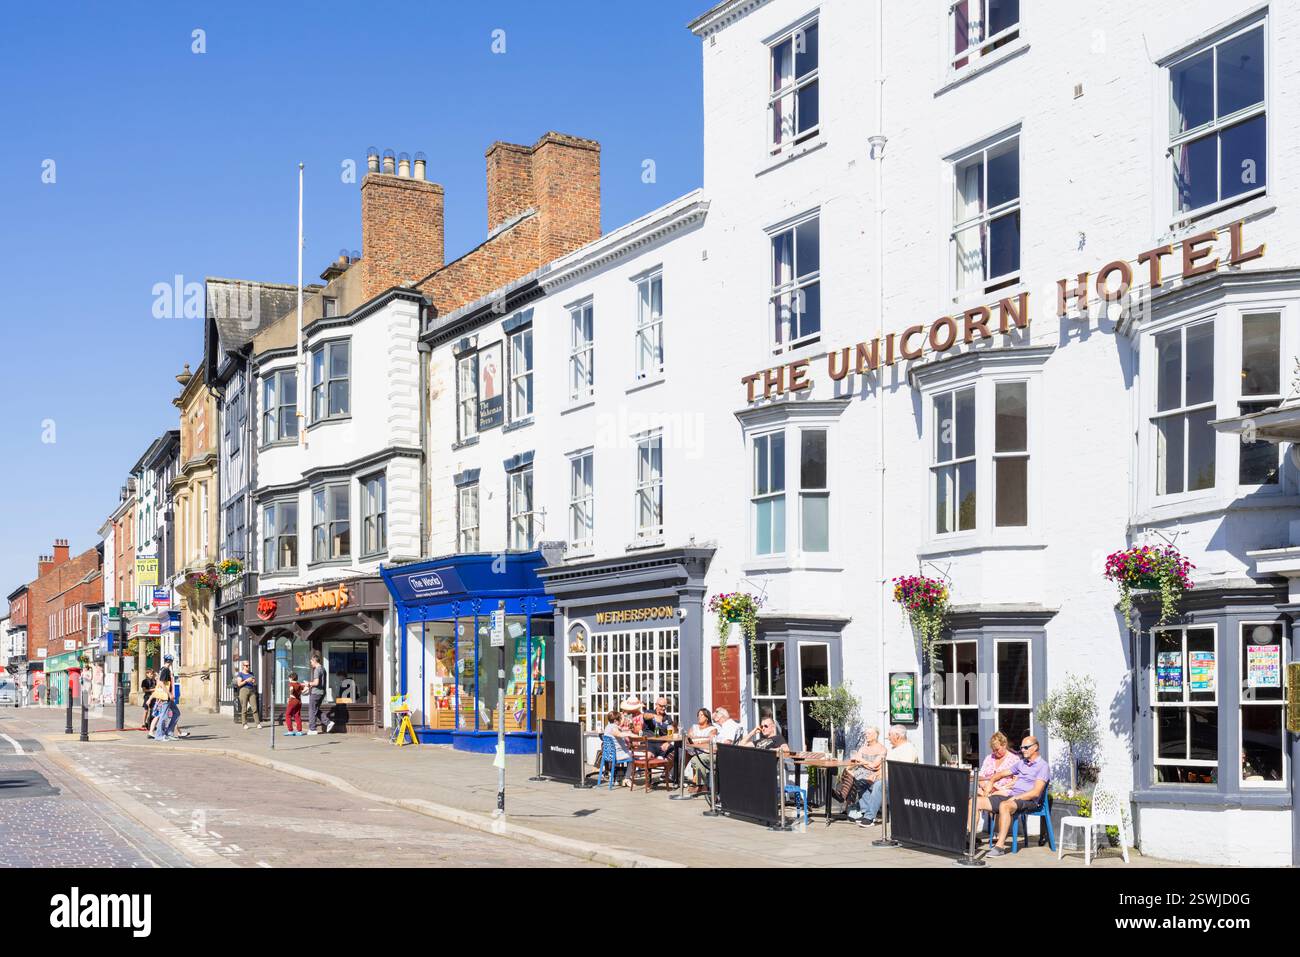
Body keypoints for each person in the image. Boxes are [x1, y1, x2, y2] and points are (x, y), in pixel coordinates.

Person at [977, 736, 1050, 858]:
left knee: (1004, 805)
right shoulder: (1021, 763)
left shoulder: (1043, 766)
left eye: (1026, 747)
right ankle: (968, 839)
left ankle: (999, 847)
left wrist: (1016, 797)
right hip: (1012, 796)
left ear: (1035, 747)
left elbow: (1036, 793)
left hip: (1029, 800)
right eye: (1021, 747)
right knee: (975, 801)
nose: (1023, 750)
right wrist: (990, 782)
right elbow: (1001, 774)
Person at [846, 726, 887, 825]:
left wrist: (862, 761)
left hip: (876, 776)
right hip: (862, 773)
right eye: (866, 733)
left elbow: (874, 766)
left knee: (860, 780)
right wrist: (865, 764)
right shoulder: (863, 748)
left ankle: (867, 814)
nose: (866, 735)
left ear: (875, 735)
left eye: (869, 733)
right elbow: (857, 762)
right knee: (850, 774)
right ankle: (865, 812)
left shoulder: (882, 749)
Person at [977, 732, 1019, 798]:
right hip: (984, 790)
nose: (995, 752)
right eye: (993, 750)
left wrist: (1001, 788)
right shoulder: (989, 758)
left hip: (1002, 792)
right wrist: (984, 786)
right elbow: (980, 776)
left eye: (997, 749)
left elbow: (1016, 780)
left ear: (1004, 745)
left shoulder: (1014, 759)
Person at [601, 708, 635, 787]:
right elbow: (618, 734)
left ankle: (617, 779)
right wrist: (629, 734)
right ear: (616, 721)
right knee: (634, 757)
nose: (621, 721)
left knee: (628, 752)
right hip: (616, 755)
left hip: (608, 755)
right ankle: (626, 778)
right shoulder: (614, 727)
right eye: (620, 719)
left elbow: (619, 731)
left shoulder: (608, 727)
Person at [305, 652, 334, 734]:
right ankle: (328, 722)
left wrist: (309, 684)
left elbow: (316, 682)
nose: (311, 664)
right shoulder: (323, 669)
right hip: (321, 692)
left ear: (314, 661)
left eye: (311, 662)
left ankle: (312, 729)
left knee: (311, 710)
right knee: (315, 710)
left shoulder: (317, 670)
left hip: (316, 693)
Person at [234, 660, 264, 730]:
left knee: (254, 707)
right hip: (243, 690)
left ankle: (258, 723)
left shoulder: (251, 673)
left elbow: (254, 683)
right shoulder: (240, 674)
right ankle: (244, 723)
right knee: (244, 708)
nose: (248, 667)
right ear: (243, 666)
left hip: (252, 690)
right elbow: (239, 684)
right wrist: (247, 680)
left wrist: (254, 682)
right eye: (246, 665)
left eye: (249, 665)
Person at [284, 671, 305, 736]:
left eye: (289, 678)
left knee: (288, 715)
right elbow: (305, 689)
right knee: (297, 715)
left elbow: (291, 689)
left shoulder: (291, 684)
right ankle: (299, 731)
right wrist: (301, 693)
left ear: (291, 678)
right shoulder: (299, 684)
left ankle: (290, 730)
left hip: (292, 700)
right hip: (299, 701)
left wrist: (291, 694)